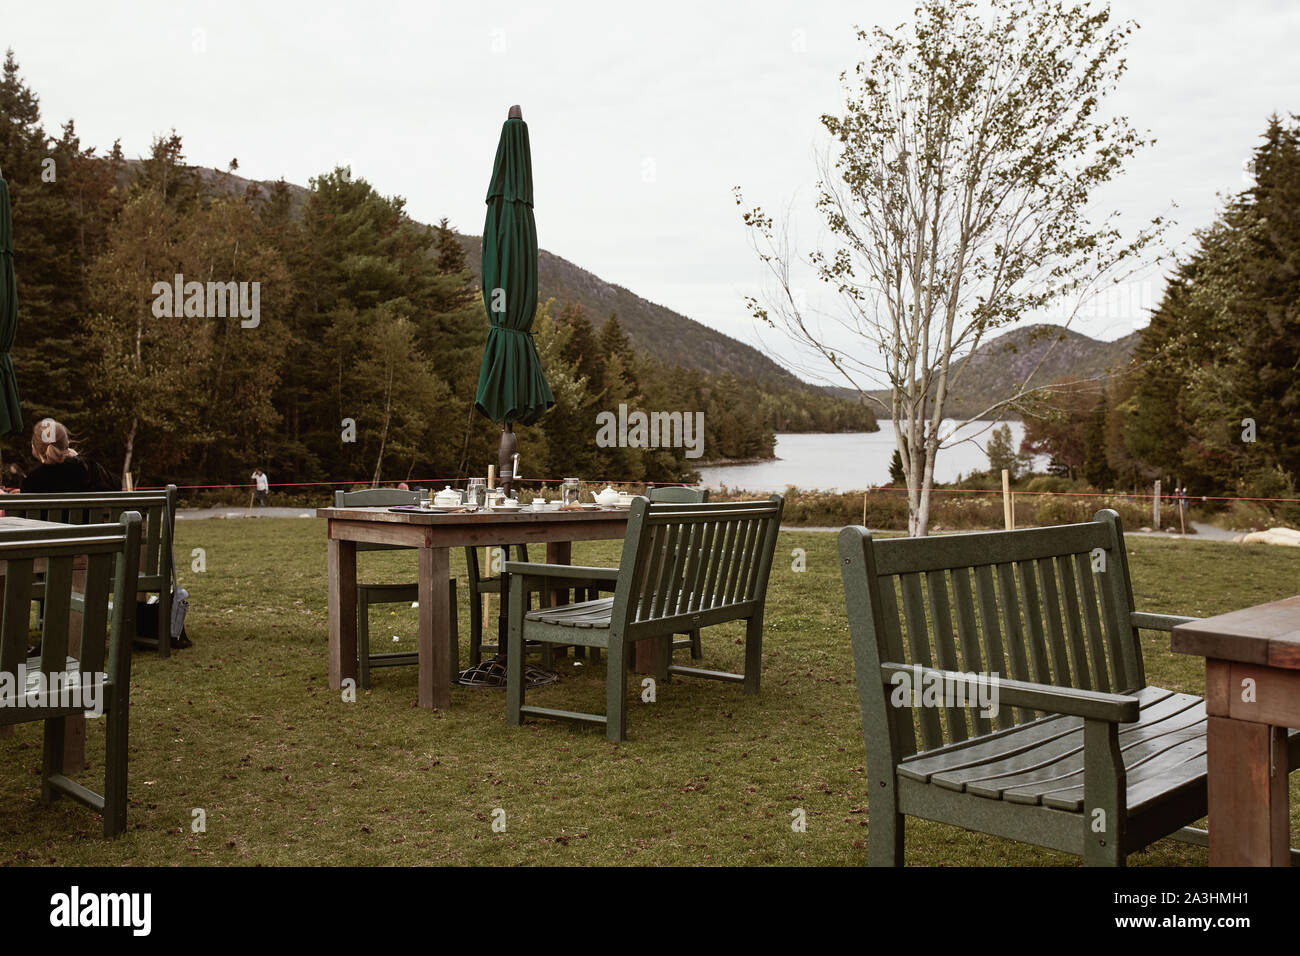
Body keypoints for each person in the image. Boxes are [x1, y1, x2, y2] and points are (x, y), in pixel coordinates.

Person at [21, 418, 117, 493]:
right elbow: (117, 485)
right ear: (66, 443)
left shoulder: (30, 482)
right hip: (85, 519)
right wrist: (79, 458)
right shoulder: (87, 469)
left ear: (34, 448)